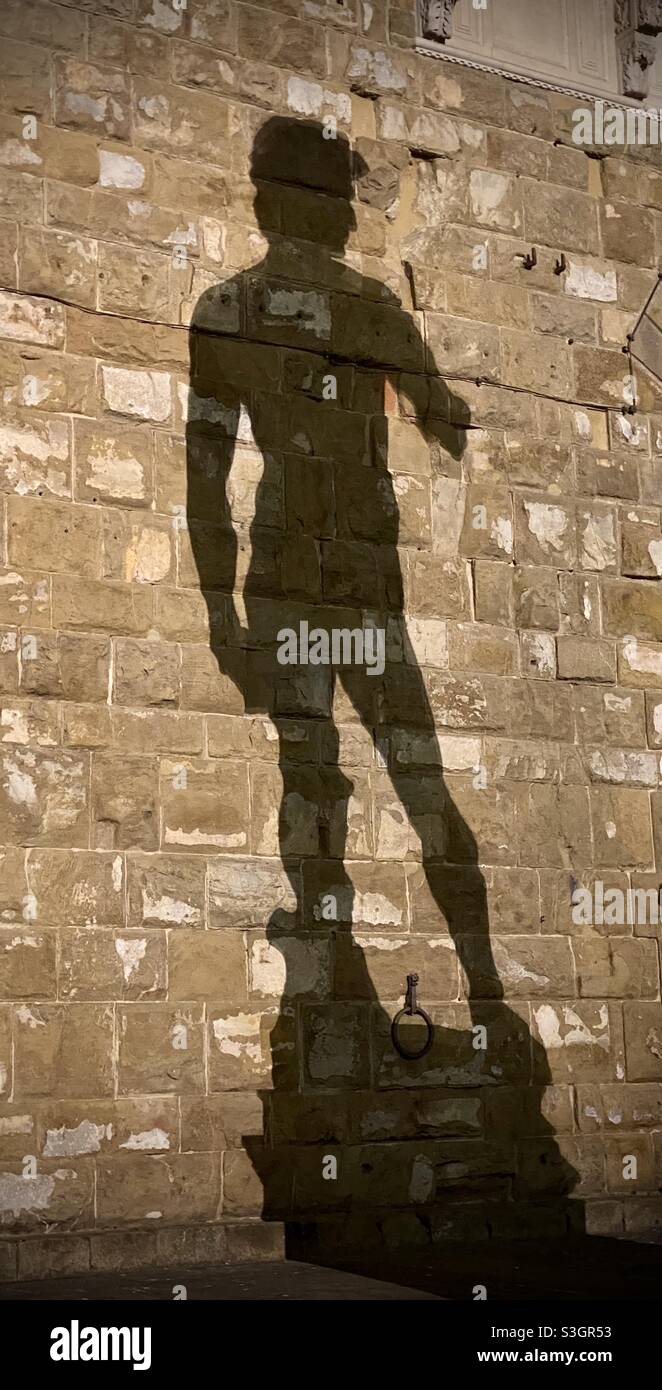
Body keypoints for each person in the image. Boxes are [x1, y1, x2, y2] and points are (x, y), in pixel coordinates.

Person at [187, 116, 579, 1256]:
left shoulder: (224, 311)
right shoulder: (369, 309)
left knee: (319, 792)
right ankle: (487, 993)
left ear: (265, 203)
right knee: (417, 788)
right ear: (331, 209)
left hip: (291, 589)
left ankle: (330, 981)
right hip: (364, 591)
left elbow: (205, 480)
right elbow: (452, 425)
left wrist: (220, 616)